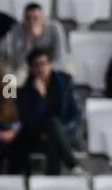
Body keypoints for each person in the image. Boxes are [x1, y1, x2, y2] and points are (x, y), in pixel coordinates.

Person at [18, 47, 82, 176]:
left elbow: (77, 115)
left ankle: (53, 182)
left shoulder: (65, 83)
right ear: (31, 68)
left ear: (50, 65)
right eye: (37, 65)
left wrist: (60, 130)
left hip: (66, 133)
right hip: (37, 136)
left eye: (44, 64)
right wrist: (40, 97)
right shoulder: (24, 89)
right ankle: (72, 166)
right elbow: (27, 120)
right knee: (52, 136)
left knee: (53, 132)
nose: (41, 68)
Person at [0, 1, 67, 77]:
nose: (31, 22)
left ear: (43, 18)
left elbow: (60, 57)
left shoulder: (55, 28)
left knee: (64, 73)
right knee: (14, 76)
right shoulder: (17, 31)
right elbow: (19, 61)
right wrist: (28, 39)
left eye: (35, 18)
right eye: (28, 18)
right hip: (29, 68)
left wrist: (45, 69)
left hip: (50, 66)